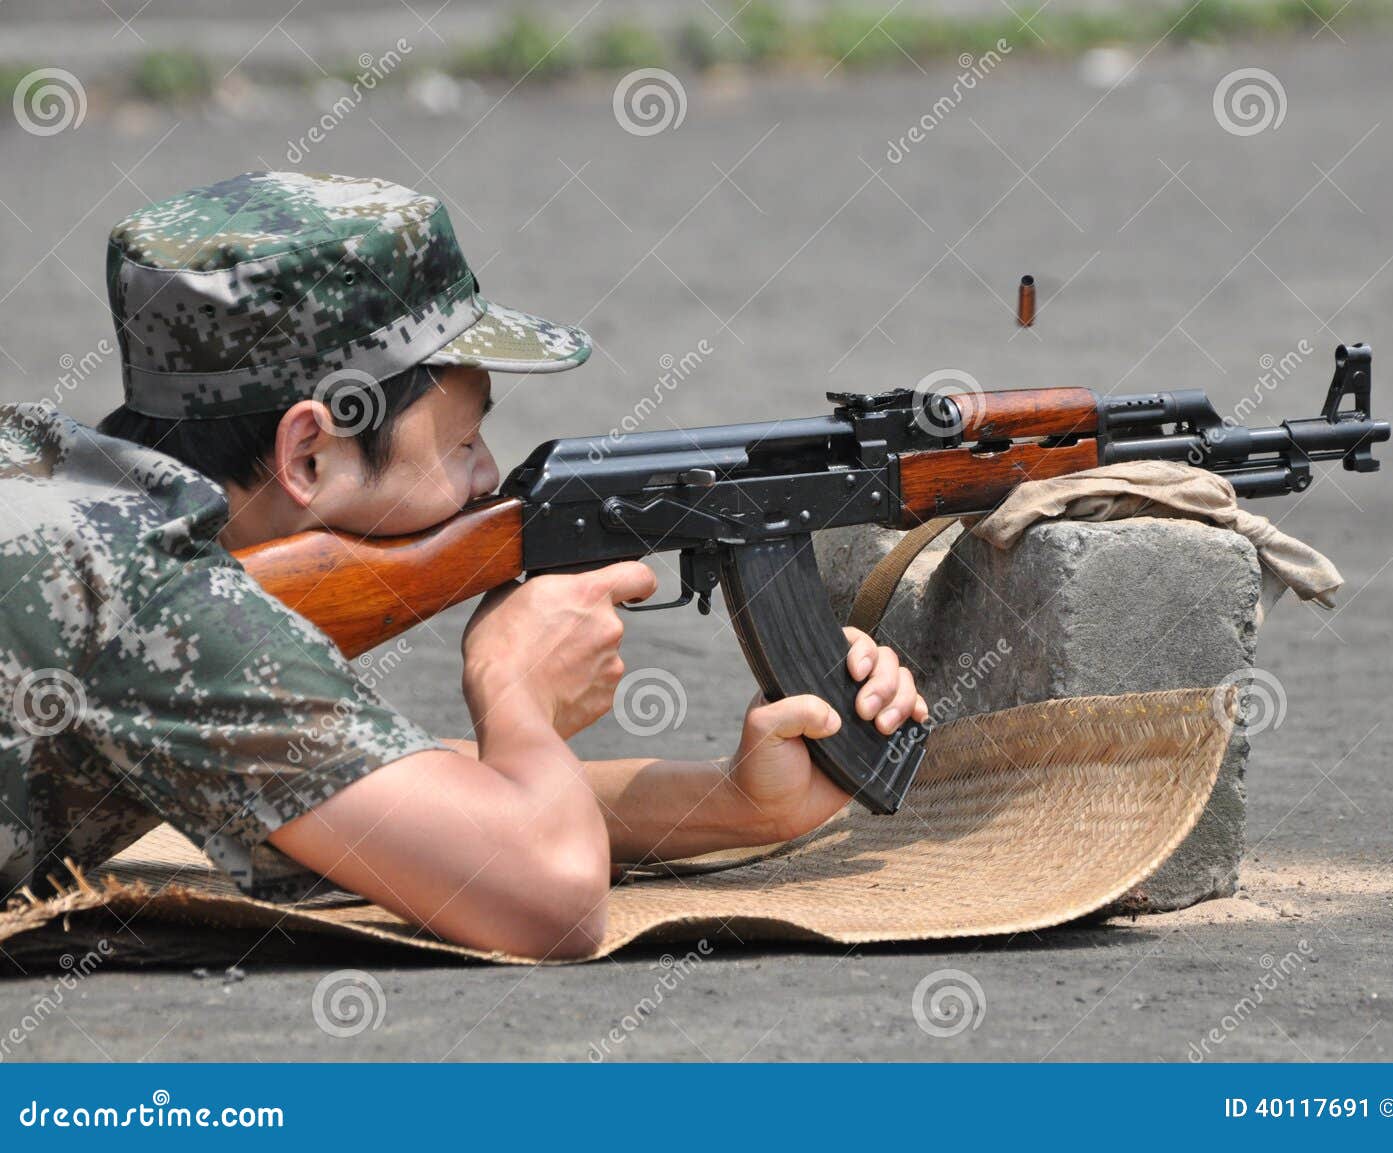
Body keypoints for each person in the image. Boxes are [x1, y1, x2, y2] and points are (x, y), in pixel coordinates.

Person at [0, 172, 927, 959]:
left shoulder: (81, 508)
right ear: (310, 456)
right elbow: (548, 900)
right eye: (465, 440)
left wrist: (733, 807)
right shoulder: (153, 595)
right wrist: (512, 688)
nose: (489, 477)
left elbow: (359, 780)